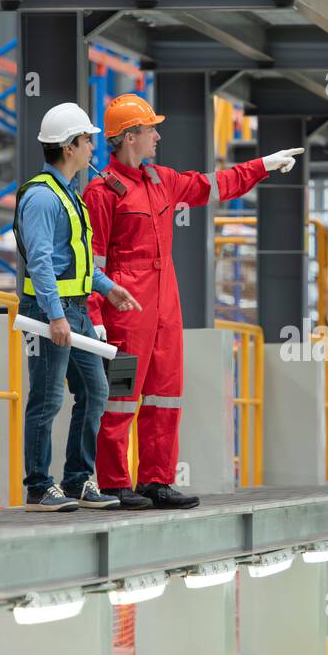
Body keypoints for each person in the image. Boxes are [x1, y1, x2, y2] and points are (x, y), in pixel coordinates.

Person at [83, 93, 303, 509]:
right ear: (130, 137)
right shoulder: (102, 192)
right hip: (125, 310)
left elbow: (212, 185)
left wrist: (262, 166)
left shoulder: (161, 180)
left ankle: (156, 481)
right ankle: (114, 483)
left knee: (166, 394)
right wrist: (96, 314)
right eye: (151, 129)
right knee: (121, 396)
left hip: (166, 308)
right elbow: (93, 263)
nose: (157, 136)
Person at [16, 102, 144, 511]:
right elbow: (40, 263)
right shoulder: (41, 197)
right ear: (69, 147)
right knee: (48, 397)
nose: (93, 146)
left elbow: (78, 258)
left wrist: (108, 288)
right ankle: (38, 486)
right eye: (88, 139)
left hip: (76, 311)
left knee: (96, 390)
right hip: (48, 311)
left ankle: (76, 480)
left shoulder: (69, 195)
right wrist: (54, 316)